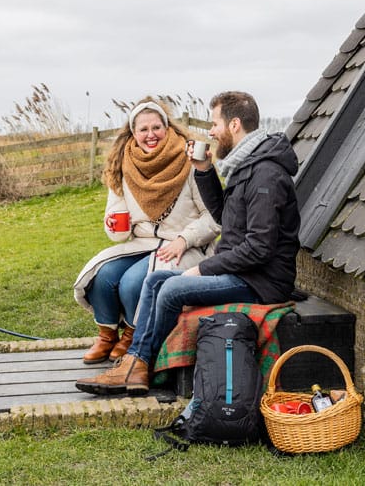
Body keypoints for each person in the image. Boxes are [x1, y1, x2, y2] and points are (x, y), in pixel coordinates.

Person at [76, 91, 300, 395]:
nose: (211, 131)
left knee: (171, 289)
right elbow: (224, 216)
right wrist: (204, 171)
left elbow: (259, 248)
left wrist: (204, 268)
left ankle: (146, 365)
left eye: (215, 123)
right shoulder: (247, 163)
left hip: (261, 282)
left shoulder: (265, 174)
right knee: (156, 280)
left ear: (234, 125)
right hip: (242, 272)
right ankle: (136, 364)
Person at [73, 97, 220, 364]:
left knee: (131, 283)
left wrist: (184, 239)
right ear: (133, 133)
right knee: (101, 276)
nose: (150, 135)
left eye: (156, 128)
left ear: (167, 129)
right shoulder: (123, 165)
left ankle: (131, 333)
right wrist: (115, 226)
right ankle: (107, 336)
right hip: (141, 243)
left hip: (182, 244)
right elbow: (116, 224)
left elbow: (213, 216)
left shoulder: (189, 162)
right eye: (143, 129)